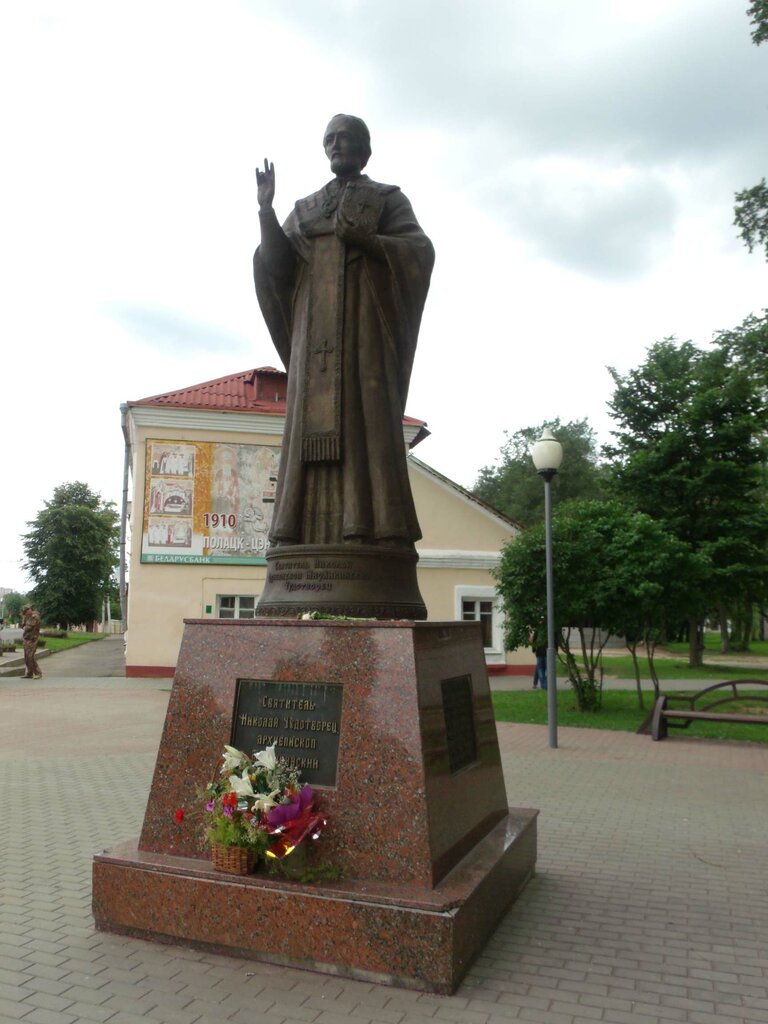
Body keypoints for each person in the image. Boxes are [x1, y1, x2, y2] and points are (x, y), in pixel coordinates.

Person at [253, 114, 435, 549]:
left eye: (346, 139)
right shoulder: (307, 208)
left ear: (365, 150)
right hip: (313, 335)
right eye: (330, 139)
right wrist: (266, 212)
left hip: (363, 333)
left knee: (365, 419)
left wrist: (370, 242)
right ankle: (292, 533)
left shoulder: (386, 199)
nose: (337, 145)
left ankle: (372, 528)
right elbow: (277, 266)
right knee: (303, 429)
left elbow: (419, 253)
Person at [21, 603, 42, 679]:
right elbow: (22, 626)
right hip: (26, 638)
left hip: (33, 639)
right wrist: (24, 623)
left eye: (27, 610)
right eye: (25, 611)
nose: (26, 612)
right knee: (26, 657)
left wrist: (25, 626)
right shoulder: (26, 616)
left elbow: (28, 627)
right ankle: (29, 673)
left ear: (30, 609)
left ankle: (38, 673)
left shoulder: (34, 616)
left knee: (30, 656)